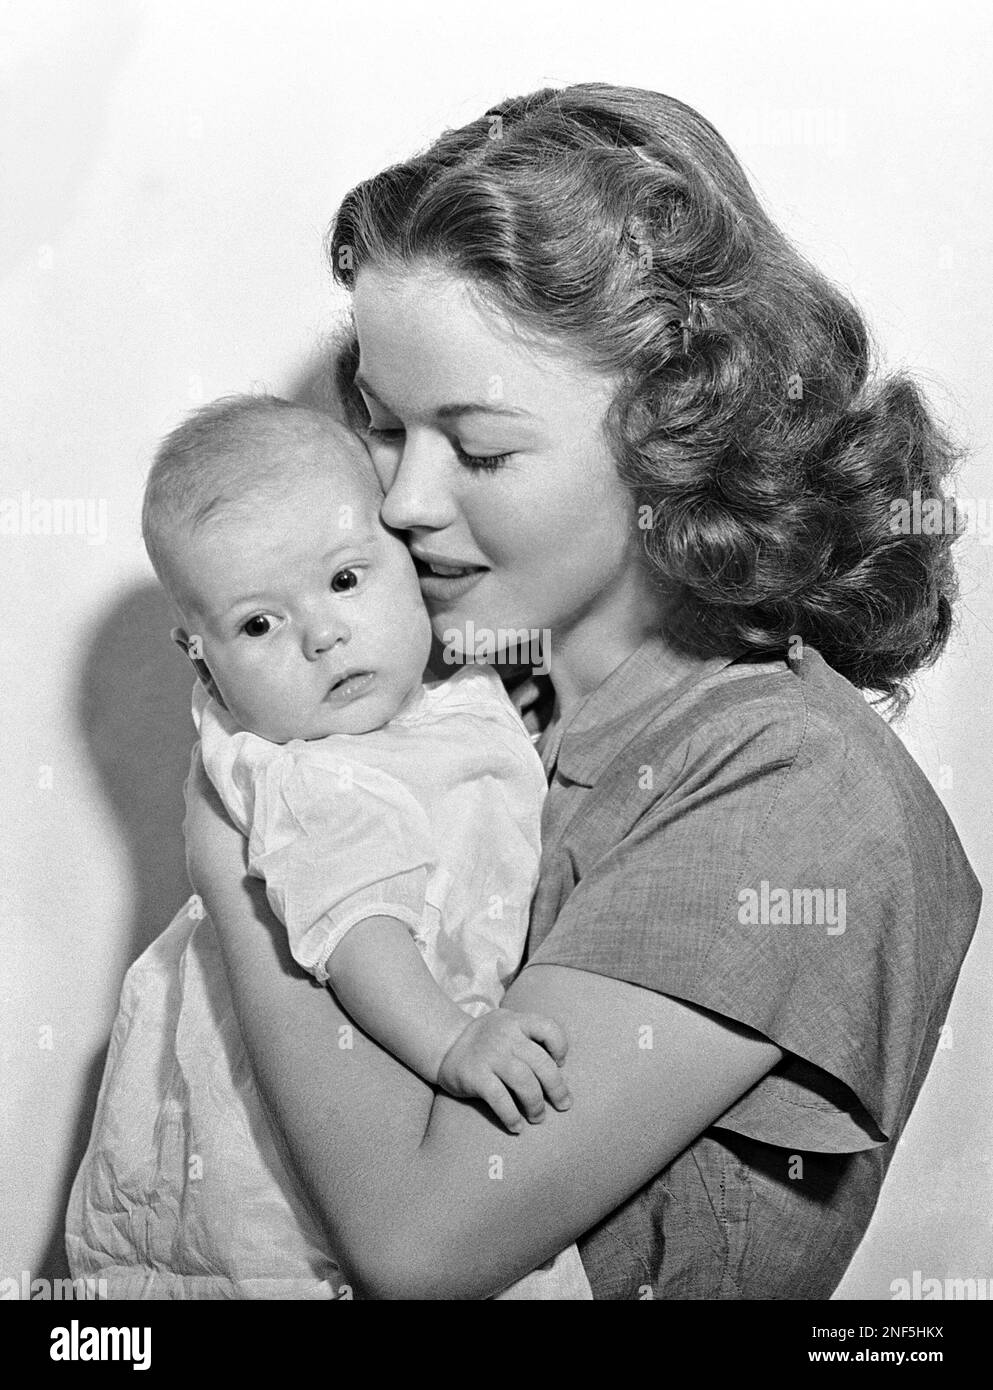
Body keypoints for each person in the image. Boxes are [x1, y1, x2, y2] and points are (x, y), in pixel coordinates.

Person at [88, 81, 982, 1300]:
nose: (402, 501)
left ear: (677, 433)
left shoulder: (800, 795)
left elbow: (422, 1243)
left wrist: (243, 847)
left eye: (483, 447)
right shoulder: (479, 688)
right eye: (387, 430)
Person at [65, 395, 593, 1298]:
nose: (321, 634)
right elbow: (361, 939)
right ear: (204, 664)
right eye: (259, 625)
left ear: (407, 563)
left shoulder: (436, 706)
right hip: (289, 1183)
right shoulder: (311, 778)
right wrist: (452, 1043)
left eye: (347, 580)